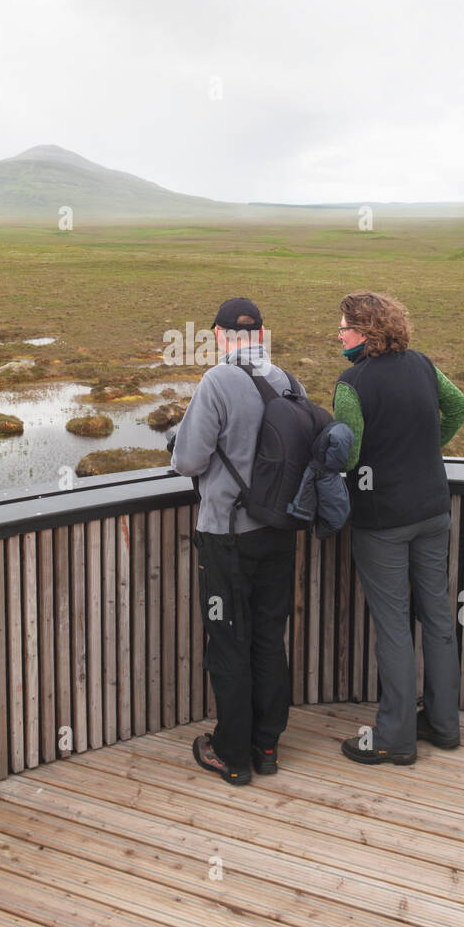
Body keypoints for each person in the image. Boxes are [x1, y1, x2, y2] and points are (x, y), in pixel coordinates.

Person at [334, 290, 464, 765]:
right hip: (433, 508)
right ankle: (444, 723)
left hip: (383, 519)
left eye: (346, 326)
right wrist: (426, 449)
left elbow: (349, 456)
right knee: (436, 617)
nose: (340, 334)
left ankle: (394, 737)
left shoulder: (352, 382)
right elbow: (460, 408)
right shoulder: (425, 365)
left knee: (393, 626)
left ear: (366, 333)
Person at [169, 297, 303, 786]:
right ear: (262, 333)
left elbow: (188, 461)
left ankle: (232, 755)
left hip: (226, 537)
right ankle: (267, 746)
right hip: (279, 531)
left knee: (229, 643)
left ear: (222, 336)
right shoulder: (287, 381)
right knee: (269, 640)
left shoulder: (217, 382)